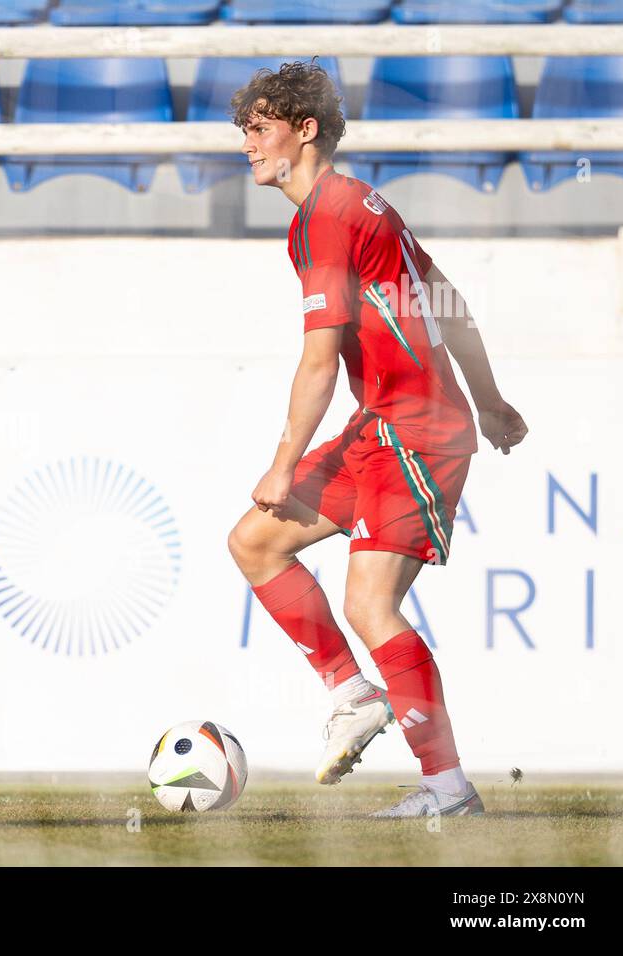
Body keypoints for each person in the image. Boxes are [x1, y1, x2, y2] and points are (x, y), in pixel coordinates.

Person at [226, 60, 528, 817]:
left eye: (258, 129)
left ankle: (448, 787)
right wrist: (490, 402)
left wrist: (283, 463)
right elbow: (450, 301)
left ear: (306, 129)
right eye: (243, 131)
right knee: (255, 543)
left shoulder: (331, 216)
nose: (247, 145)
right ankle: (356, 695)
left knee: (371, 605)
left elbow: (319, 361)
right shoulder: (351, 207)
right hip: (384, 428)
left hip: (417, 435)